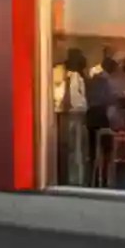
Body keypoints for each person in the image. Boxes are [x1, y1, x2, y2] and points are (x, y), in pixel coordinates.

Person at [58, 48, 89, 186]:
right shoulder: (76, 77)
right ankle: (76, 178)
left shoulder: (73, 78)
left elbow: (75, 98)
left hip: (73, 113)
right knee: (75, 147)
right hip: (75, 113)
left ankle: (75, 179)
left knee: (74, 147)